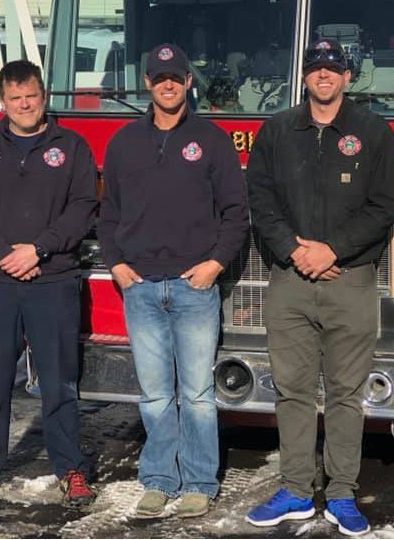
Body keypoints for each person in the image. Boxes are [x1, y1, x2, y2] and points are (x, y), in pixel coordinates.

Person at [243, 38, 394, 536]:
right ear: (305, 76)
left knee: (345, 393)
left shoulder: (374, 132)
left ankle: (341, 494)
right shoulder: (276, 131)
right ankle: (294, 489)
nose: (324, 75)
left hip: (350, 281)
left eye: (333, 68)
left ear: (347, 76)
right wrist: (295, 250)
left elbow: (383, 207)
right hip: (289, 281)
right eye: (315, 68)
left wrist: (331, 250)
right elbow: (260, 200)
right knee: (291, 390)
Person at [96, 43, 249, 519]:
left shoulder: (212, 139)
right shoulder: (123, 142)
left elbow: (236, 213)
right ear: (147, 83)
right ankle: (159, 480)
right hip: (140, 287)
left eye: (175, 77)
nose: (167, 84)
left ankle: (200, 482)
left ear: (187, 82)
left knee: (198, 394)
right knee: (155, 394)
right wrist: (116, 264)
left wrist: (214, 265)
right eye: (159, 77)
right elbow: (108, 212)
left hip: (193, 287)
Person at [0, 60, 98, 506]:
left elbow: (83, 207)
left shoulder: (72, 147)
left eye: (31, 96)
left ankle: (70, 468)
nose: (24, 105)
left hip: (53, 280)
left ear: (43, 97)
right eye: (15, 98)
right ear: (2, 102)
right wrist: (5, 255)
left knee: (59, 381)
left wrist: (39, 249)